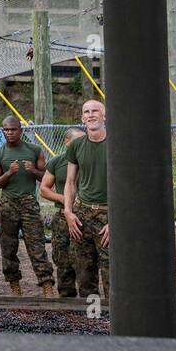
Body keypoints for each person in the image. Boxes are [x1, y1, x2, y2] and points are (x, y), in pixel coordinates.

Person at [0, 116, 55, 297]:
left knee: (37, 245)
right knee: (8, 247)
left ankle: (47, 286)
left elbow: (46, 178)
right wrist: (9, 173)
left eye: (13, 129)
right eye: (6, 130)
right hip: (7, 204)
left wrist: (33, 171)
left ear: (20, 130)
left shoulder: (34, 150)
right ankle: (14, 286)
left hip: (28, 203)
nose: (9, 133)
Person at [63, 100, 110, 299]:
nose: (91, 115)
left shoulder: (118, 144)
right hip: (81, 215)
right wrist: (68, 212)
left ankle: (114, 323)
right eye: (86, 112)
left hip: (108, 214)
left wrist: (117, 220)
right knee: (84, 271)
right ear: (82, 118)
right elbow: (70, 182)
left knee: (112, 272)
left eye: (95, 111)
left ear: (104, 116)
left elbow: (130, 185)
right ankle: (92, 319)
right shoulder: (76, 146)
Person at [41, 127, 84, 298]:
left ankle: (90, 301)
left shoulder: (89, 160)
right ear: (67, 142)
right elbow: (44, 189)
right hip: (62, 216)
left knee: (85, 260)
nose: (82, 145)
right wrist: (63, 199)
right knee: (63, 259)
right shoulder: (57, 162)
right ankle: (66, 300)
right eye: (78, 141)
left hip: (86, 215)